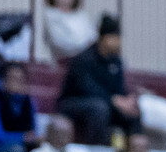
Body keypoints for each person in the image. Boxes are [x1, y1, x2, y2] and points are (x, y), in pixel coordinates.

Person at [56, 15, 143, 145]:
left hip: (105, 103)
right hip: (72, 103)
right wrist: (113, 100)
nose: (118, 42)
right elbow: (85, 88)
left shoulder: (116, 61)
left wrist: (127, 100)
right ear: (104, 38)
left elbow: (118, 89)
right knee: (99, 109)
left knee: (133, 112)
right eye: (114, 38)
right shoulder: (84, 59)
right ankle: (98, 150)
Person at [44, 0, 97, 65]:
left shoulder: (82, 16)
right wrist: (82, 45)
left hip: (85, 62)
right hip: (62, 62)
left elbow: (92, 38)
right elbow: (59, 42)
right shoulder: (50, 15)